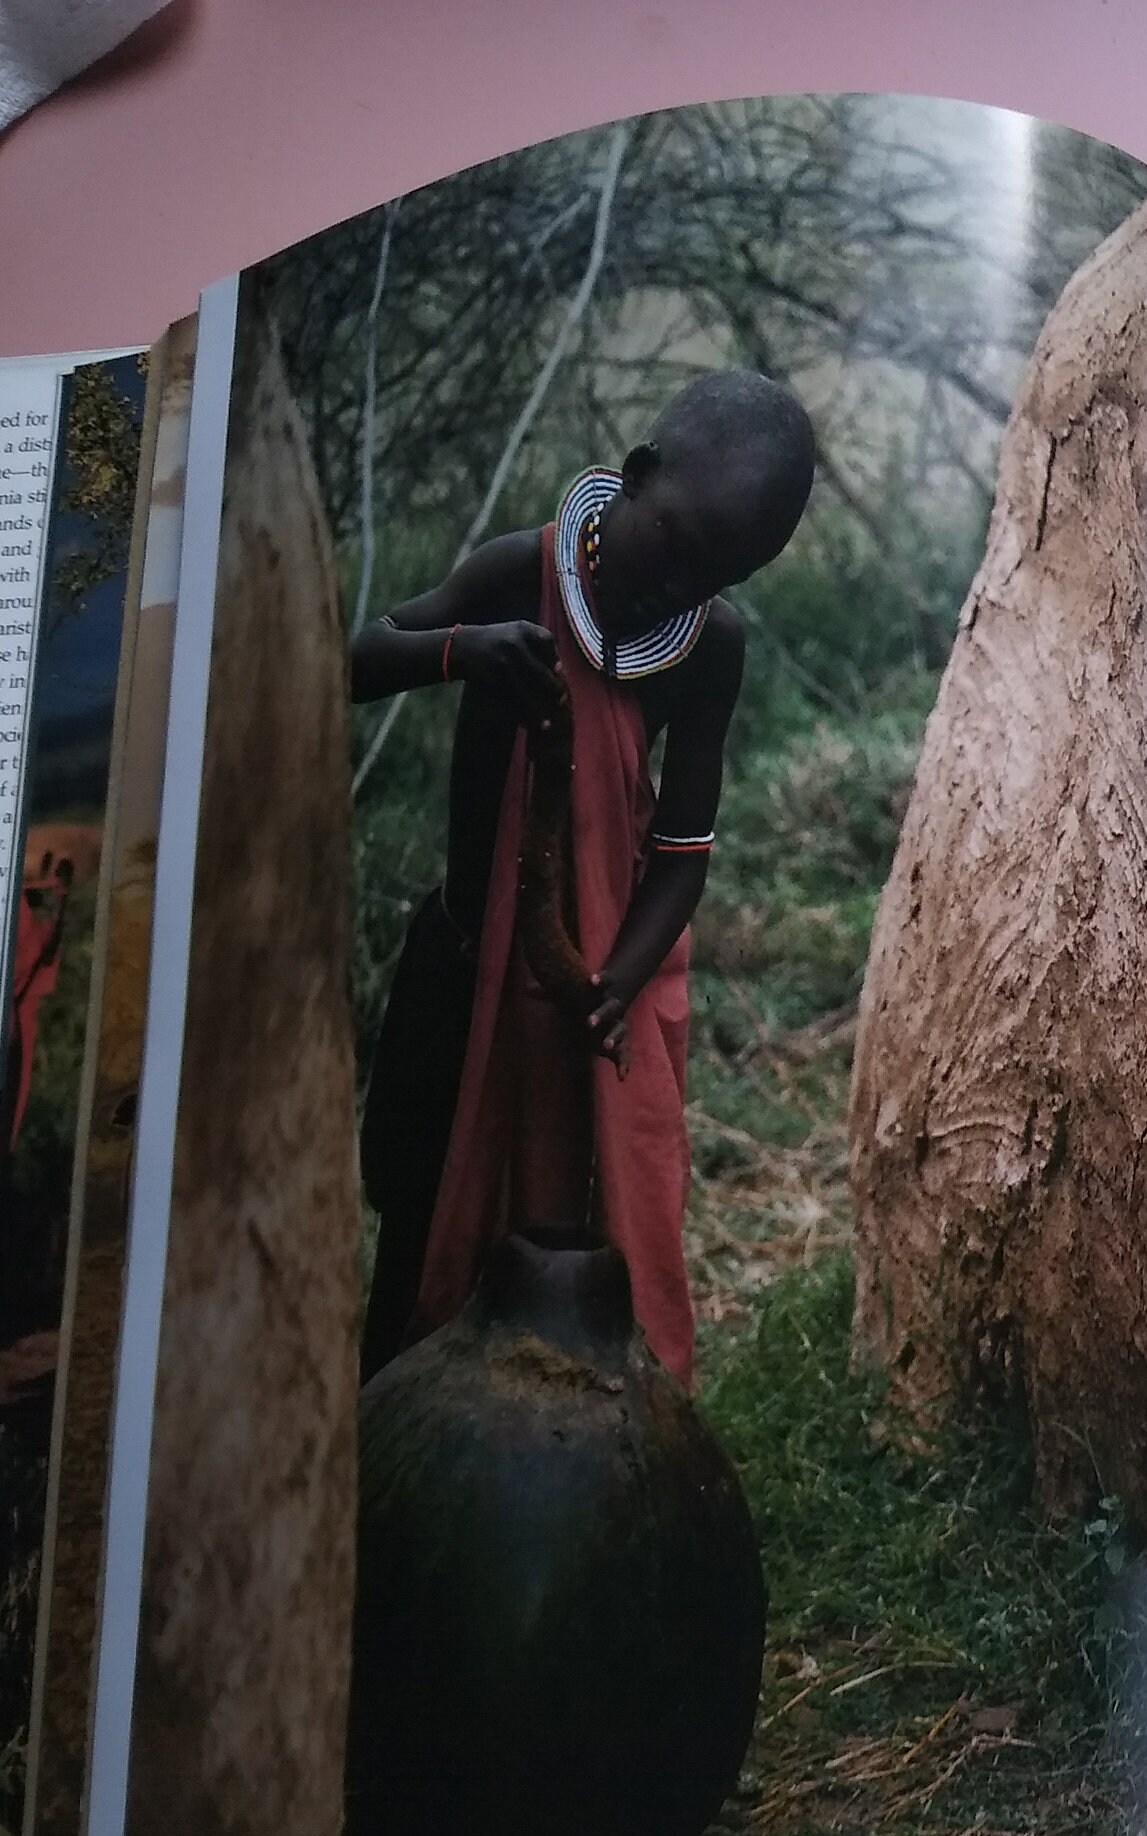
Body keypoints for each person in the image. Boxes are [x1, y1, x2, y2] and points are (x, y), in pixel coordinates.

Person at [350, 369, 817, 1384]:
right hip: (461, 970)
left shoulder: (707, 650)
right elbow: (355, 658)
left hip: (578, 1002)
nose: (680, 585)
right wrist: (462, 653)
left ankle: (553, 1473)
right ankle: (391, 1460)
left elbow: (683, 857)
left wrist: (614, 984)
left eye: (715, 575)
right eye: (679, 544)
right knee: (421, 1241)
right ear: (639, 476)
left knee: (566, 1261)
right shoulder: (523, 574)